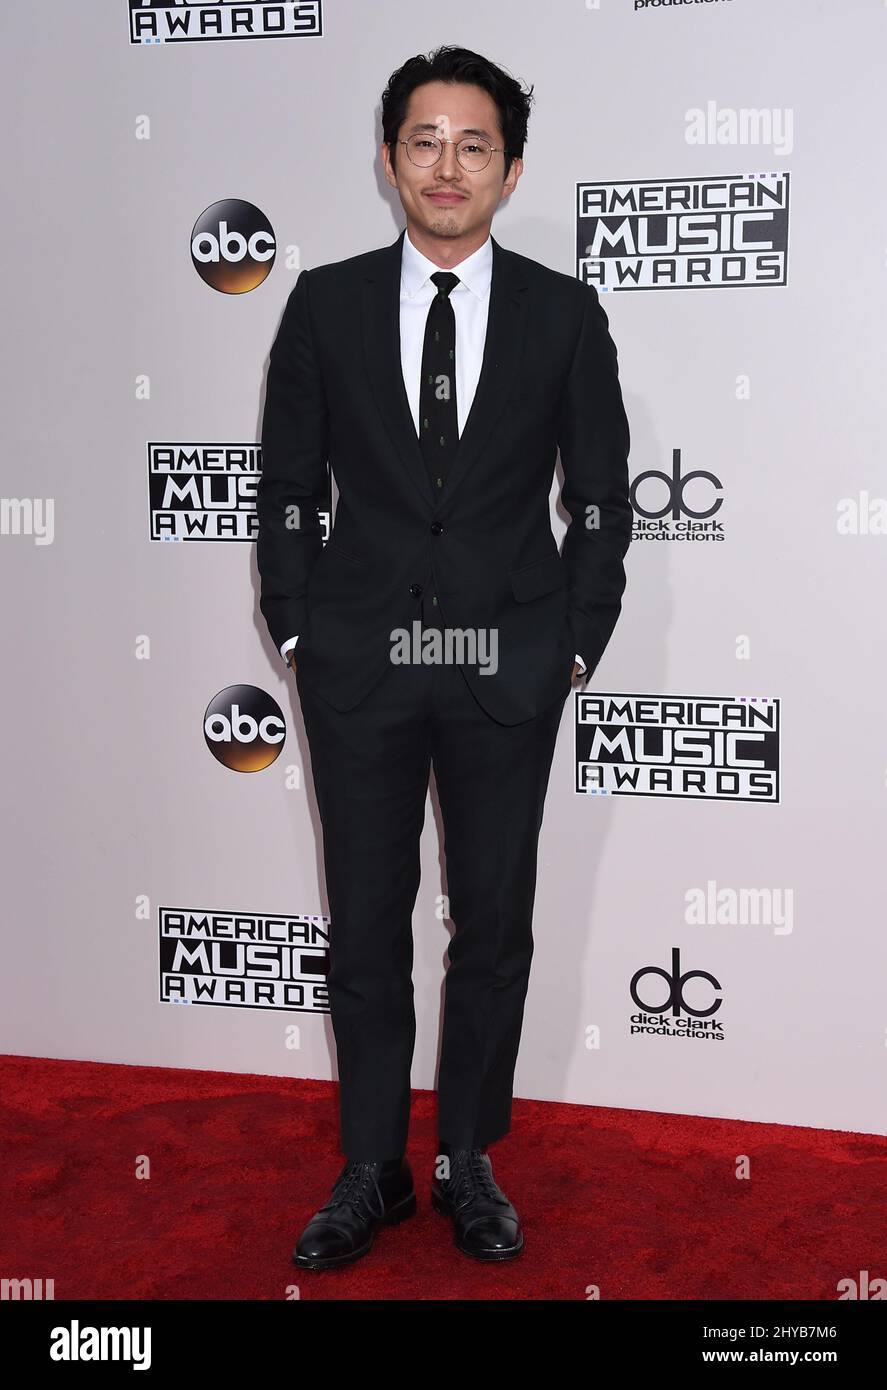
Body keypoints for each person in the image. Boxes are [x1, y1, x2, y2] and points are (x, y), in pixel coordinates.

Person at [256, 44, 631, 1269]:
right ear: (386, 157)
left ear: (510, 170)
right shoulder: (324, 304)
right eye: (423, 139)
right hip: (361, 664)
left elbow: (603, 499)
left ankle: (468, 1157)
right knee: (363, 921)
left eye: (474, 144)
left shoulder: (563, 314)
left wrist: (573, 645)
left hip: (505, 665)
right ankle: (370, 1167)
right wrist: (301, 627)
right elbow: (284, 488)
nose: (446, 164)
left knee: (493, 924)